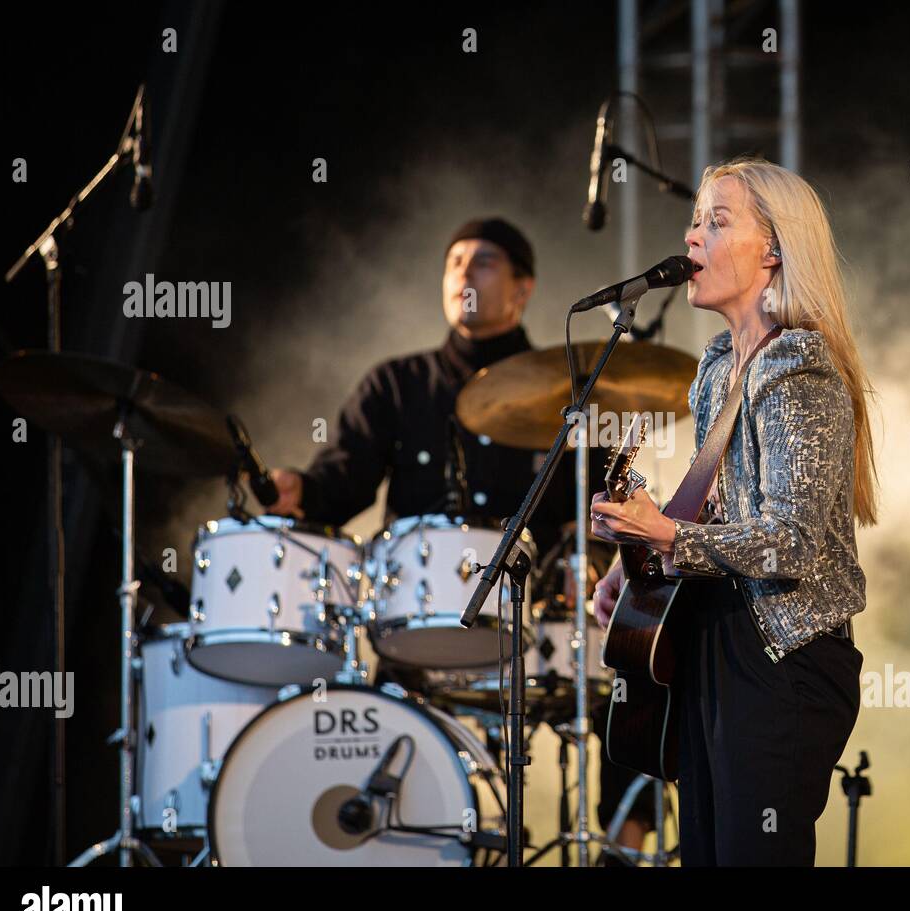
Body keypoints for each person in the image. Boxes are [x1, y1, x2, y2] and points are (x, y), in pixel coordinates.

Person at [266, 217, 656, 856]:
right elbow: (342, 484)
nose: (463, 275)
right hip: (413, 635)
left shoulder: (574, 389)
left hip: (535, 628)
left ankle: (624, 847)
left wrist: (590, 558)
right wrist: (299, 491)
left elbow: (607, 503)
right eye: (454, 263)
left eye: (482, 263)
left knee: (634, 669)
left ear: (523, 288)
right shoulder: (397, 385)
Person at [590, 159, 879, 866]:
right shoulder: (721, 366)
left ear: (774, 250)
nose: (692, 240)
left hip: (783, 658)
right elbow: (730, 521)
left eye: (717, 223)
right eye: (694, 221)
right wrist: (642, 564)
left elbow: (796, 542)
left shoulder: (799, 366)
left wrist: (670, 535)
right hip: (718, 644)